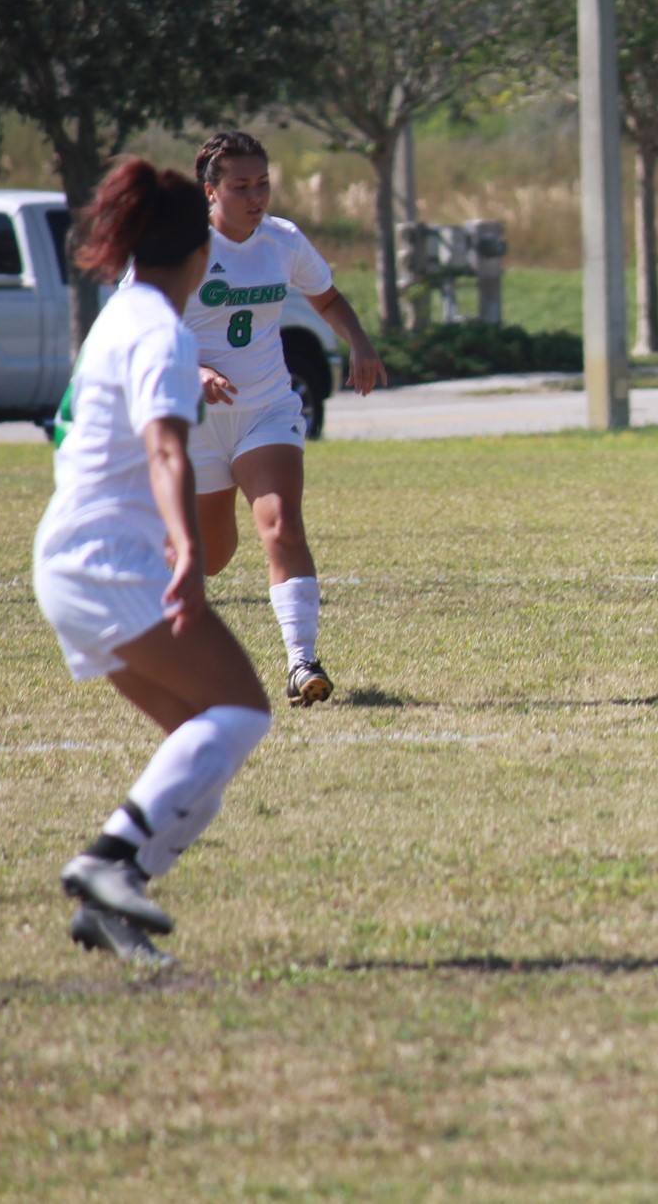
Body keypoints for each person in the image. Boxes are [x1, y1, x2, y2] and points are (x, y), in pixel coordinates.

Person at [37, 158, 274, 968]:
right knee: (242, 710)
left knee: (196, 743)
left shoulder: (121, 314)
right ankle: (108, 859)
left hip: (71, 557)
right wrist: (186, 546)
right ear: (202, 250)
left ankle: (110, 905)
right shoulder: (162, 331)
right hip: (110, 559)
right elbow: (168, 450)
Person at [181, 131, 387, 706]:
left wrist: (359, 342)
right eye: (241, 186)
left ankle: (302, 662)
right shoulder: (179, 246)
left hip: (267, 409)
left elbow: (327, 297)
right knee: (212, 556)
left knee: (283, 527)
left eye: (263, 184)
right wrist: (194, 370)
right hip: (196, 418)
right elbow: (137, 325)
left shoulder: (282, 240)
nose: (256, 197)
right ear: (210, 191)